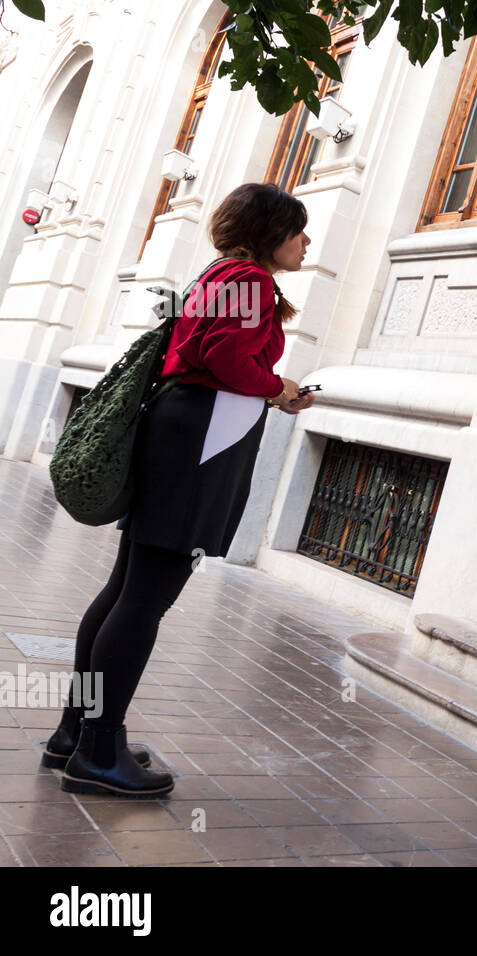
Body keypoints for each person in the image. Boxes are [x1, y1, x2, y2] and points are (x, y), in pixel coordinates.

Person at [43, 182, 317, 797]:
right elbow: (222, 359)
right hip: (200, 444)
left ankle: (77, 733)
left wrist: (269, 387)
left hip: (185, 435)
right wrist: (277, 387)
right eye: (299, 229)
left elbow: (203, 350)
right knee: (144, 600)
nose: (307, 241)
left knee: (124, 591)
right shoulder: (248, 281)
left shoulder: (221, 275)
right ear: (269, 231)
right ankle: (98, 751)